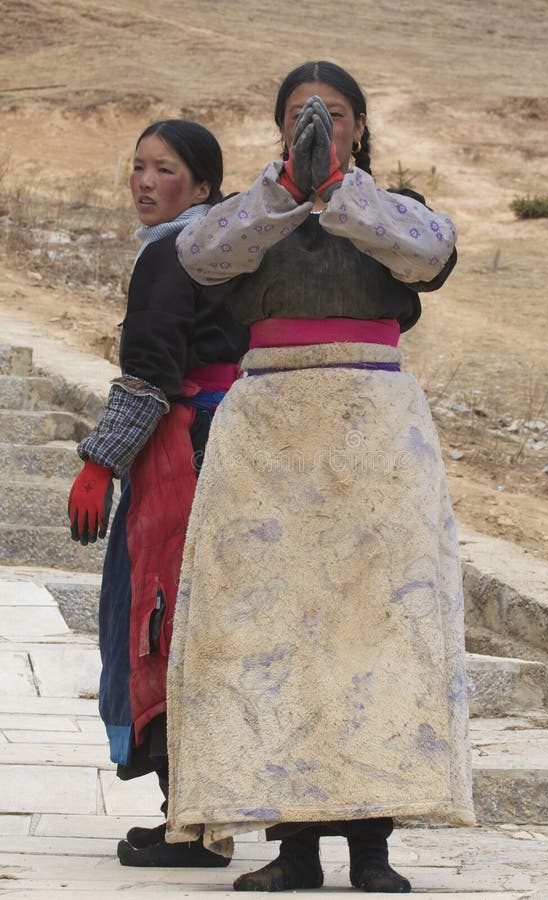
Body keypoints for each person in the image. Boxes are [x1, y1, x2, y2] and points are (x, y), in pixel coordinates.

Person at [167, 61, 475, 893]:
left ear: (362, 126)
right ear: (277, 128)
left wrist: (339, 190)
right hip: (268, 430)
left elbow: (429, 254)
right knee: (273, 637)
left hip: (373, 433)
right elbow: (198, 256)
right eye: (303, 114)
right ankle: (293, 849)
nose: (319, 125)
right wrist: (284, 192)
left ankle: (372, 849)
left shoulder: (392, 209)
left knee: (375, 631)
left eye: (335, 114)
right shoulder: (248, 214)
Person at [68, 119, 249, 868]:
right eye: (137, 166)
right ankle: (201, 816)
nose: (144, 182)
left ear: (202, 187)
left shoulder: (173, 255)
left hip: (185, 452)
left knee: (161, 621)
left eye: (164, 169)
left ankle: (195, 824)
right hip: (233, 442)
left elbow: (148, 376)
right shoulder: (229, 248)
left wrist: (99, 461)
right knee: (202, 626)